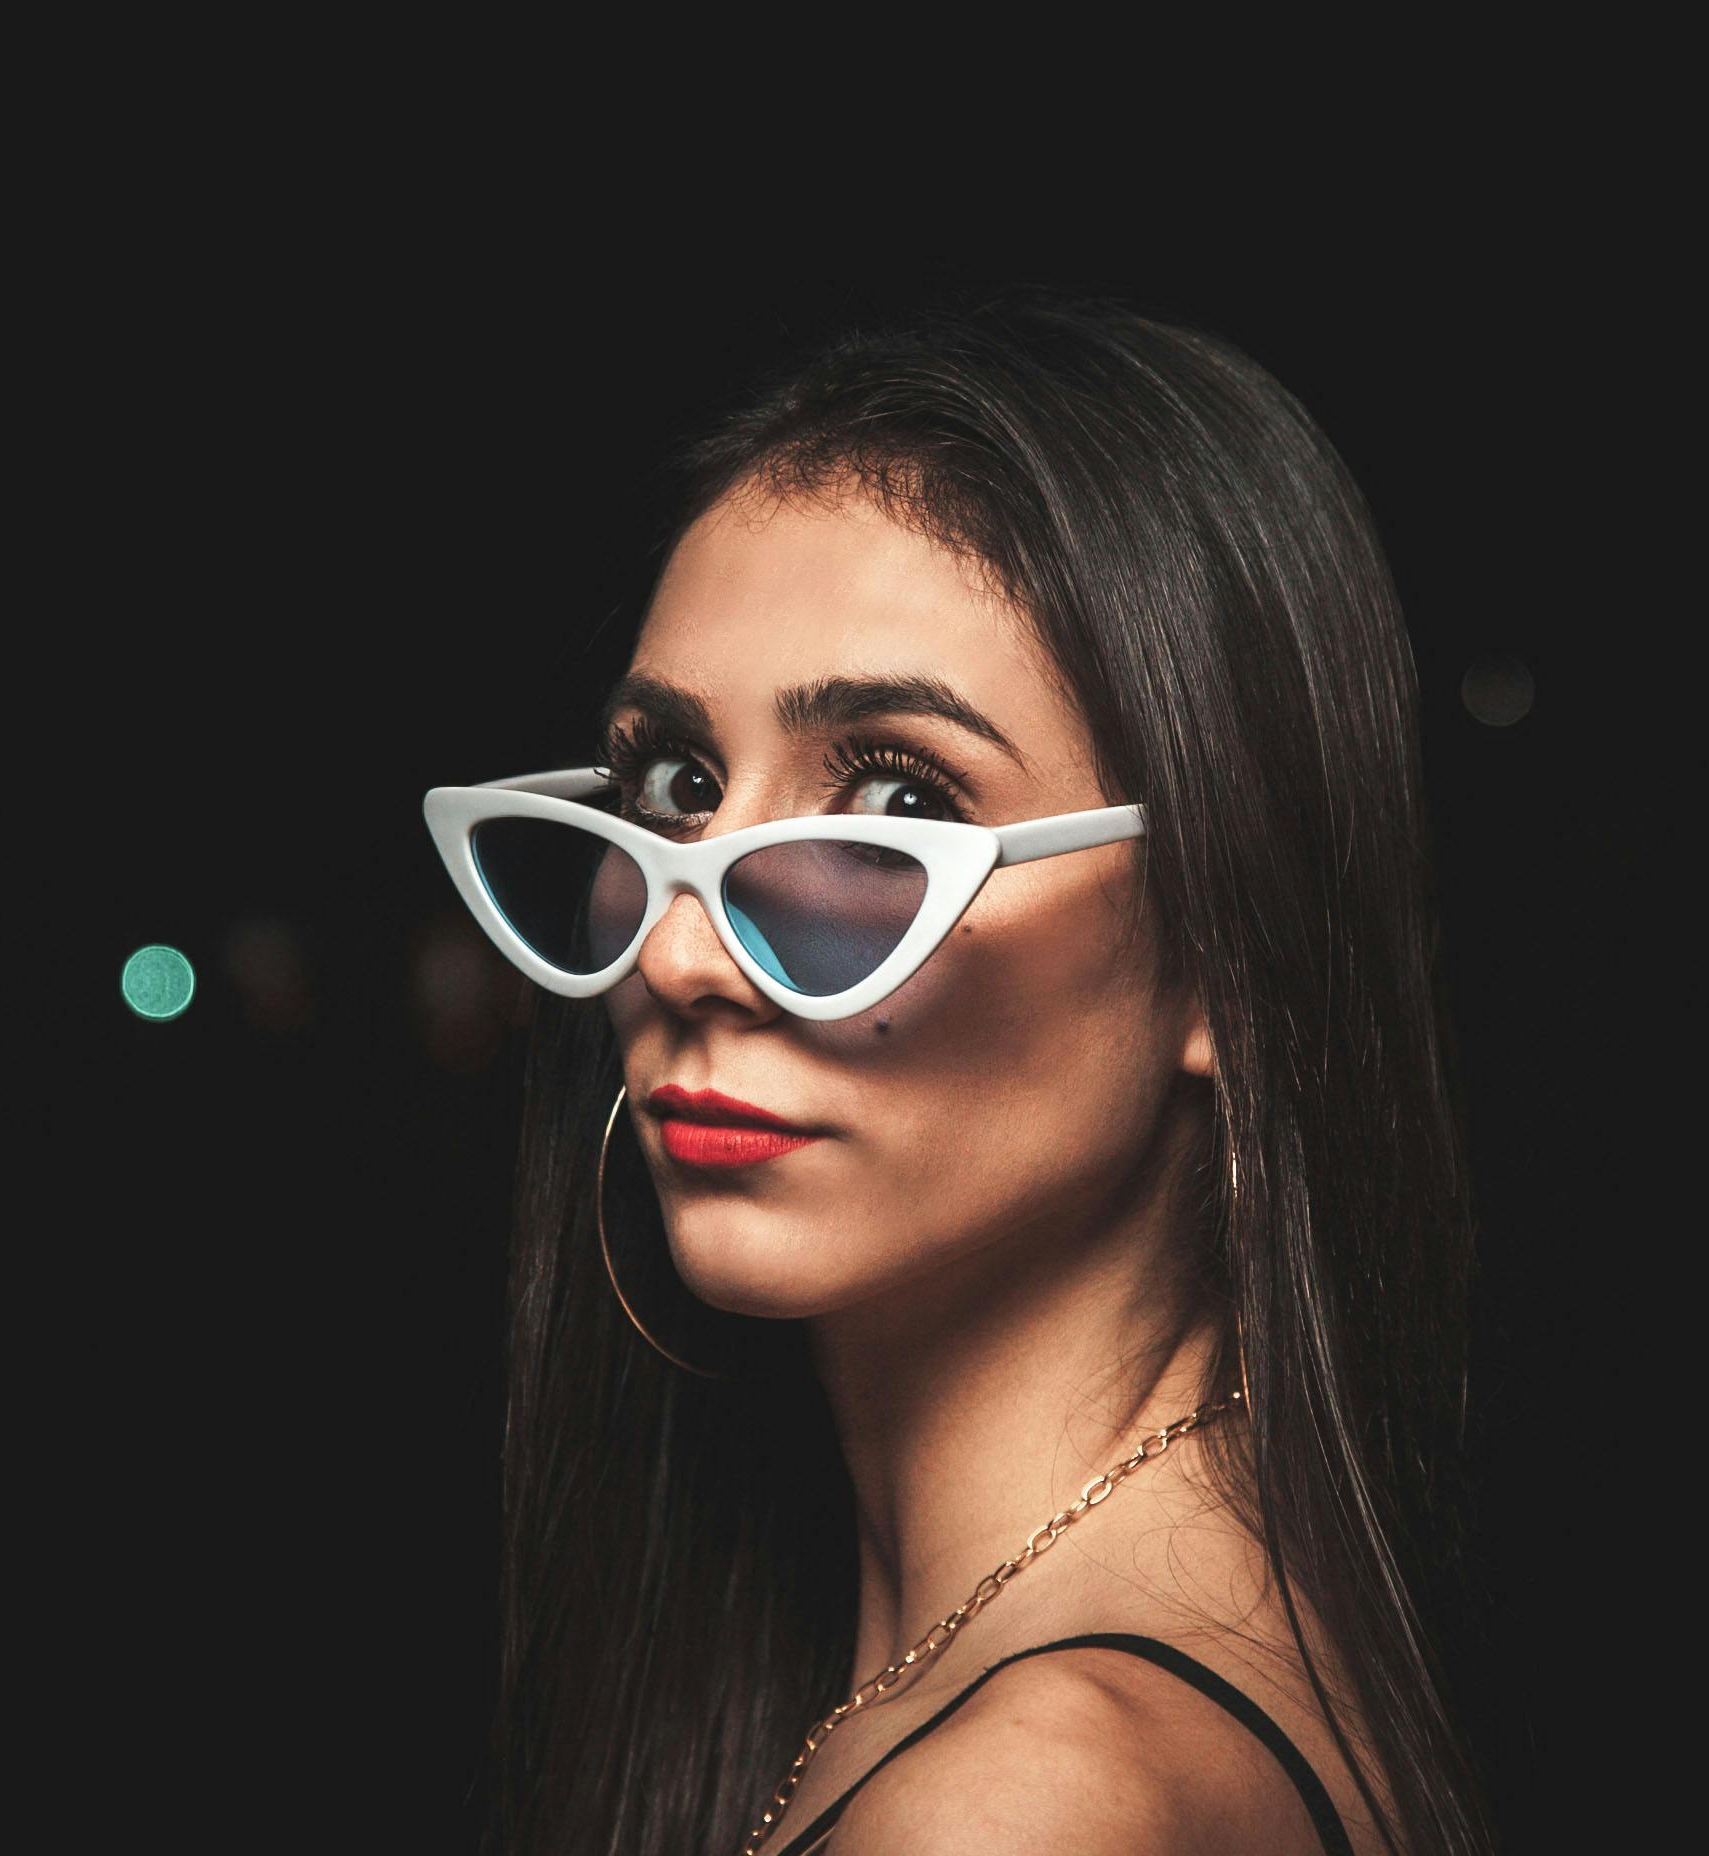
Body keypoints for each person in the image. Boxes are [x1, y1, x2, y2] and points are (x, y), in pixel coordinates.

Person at [429, 286, 1495, 1854]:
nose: (676, 951)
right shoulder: (1175, 1662)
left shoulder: (1030, 1806)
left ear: (1228, 956)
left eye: (900, 804)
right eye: (677, 780)